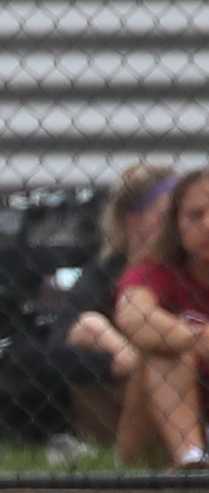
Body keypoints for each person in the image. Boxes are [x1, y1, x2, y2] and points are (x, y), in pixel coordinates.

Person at [45, 165, 173, 463]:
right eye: (165, 217)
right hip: (124, 400)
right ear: (135, 222)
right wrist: (124, 361)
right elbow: (57, 351)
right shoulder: (105, 274)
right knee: (89, 327)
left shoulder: (189, 270)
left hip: (183, 385)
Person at [115, 168, 209, 469]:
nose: (207, 224)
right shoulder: (156, 271)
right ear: (177, 225)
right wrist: (193, 338)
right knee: (164, 352)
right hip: (156, 434)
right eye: (195, 216)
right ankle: (192, 461)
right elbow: (133, 316)